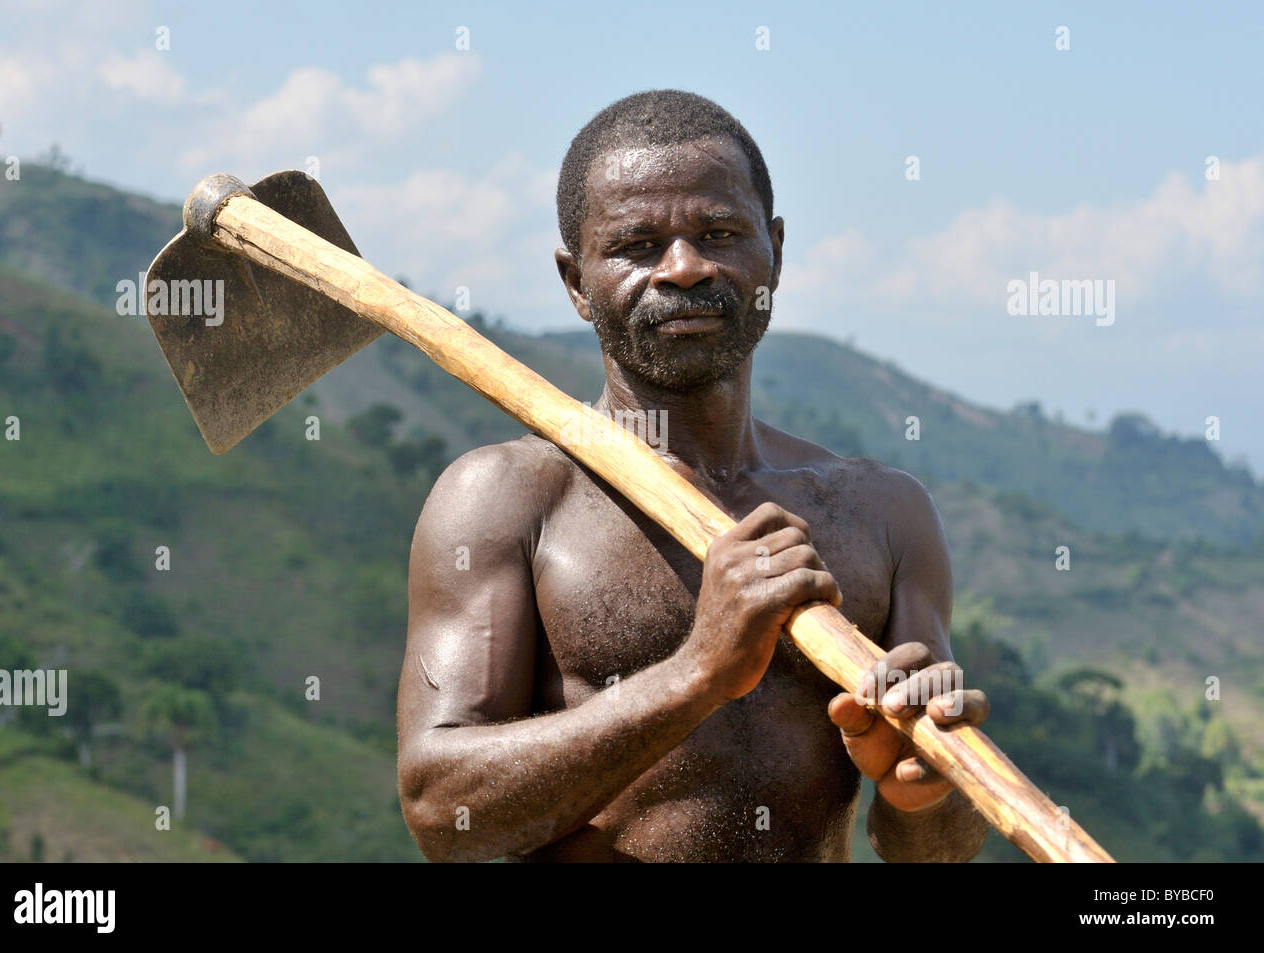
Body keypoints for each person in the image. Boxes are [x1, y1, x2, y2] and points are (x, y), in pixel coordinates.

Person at [397, 89, 990, 862]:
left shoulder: (883, 511)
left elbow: (935, 852)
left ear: (773, 250)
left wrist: (924, 789)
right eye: (638, 245)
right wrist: (700, 672)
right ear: (576, 282)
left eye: (719, 232)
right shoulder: (505, 500)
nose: (684, 268)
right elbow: (442, 811)